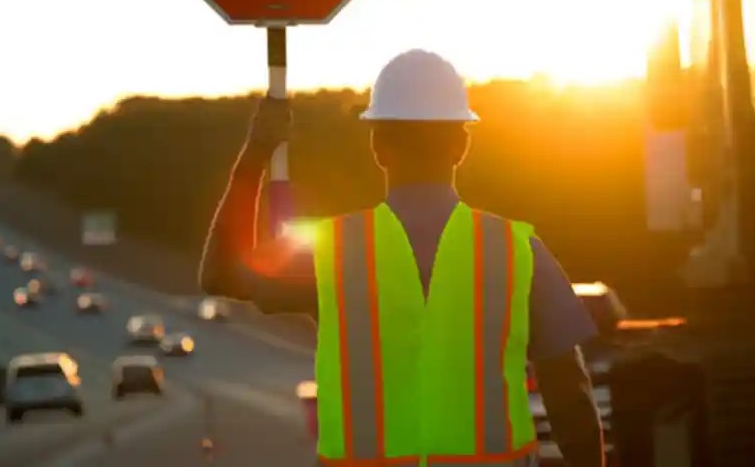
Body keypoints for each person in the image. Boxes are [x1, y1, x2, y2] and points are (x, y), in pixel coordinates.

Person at [200, 49, 607, 466]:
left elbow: (218, 276)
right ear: (461, 145)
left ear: (378, 146)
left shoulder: (330, 252)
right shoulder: (518, 252)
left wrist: (255, 156)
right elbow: (570, 400)